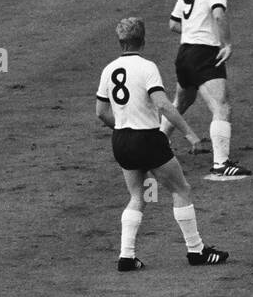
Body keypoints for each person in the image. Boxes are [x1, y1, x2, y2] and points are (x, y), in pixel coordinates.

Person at [95, 17, 229, 271]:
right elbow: (164, 104)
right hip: (147, 138)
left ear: (120, 41)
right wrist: (190, 134)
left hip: (121, 141)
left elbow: (101, 112)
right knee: (181, 190)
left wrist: (123, 126)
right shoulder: (147, 68)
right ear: (143, 40)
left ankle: (126, 256)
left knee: (137, 195)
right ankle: (196, 250)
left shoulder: (108, 69)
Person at [158, 0, 253, 182]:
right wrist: (227, 43)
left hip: (184, 53)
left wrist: (193, 30)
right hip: (203, 54)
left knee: (182, 101)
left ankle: (156, 147)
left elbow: (173, 24)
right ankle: (221, 164)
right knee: (222, 107)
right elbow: (219, 15)